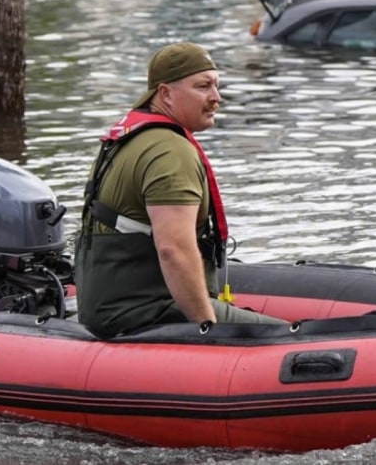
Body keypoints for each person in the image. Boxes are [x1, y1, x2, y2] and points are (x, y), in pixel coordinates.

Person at [75, 42, 285, 337]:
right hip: (148, 311)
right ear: (165, 94)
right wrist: (208, 328)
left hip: (109, 307)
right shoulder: (170, 152)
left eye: (216, 86)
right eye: (202, 87)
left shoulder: (129, 138)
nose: (216, 98)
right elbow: (173, 249)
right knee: (292, 338)